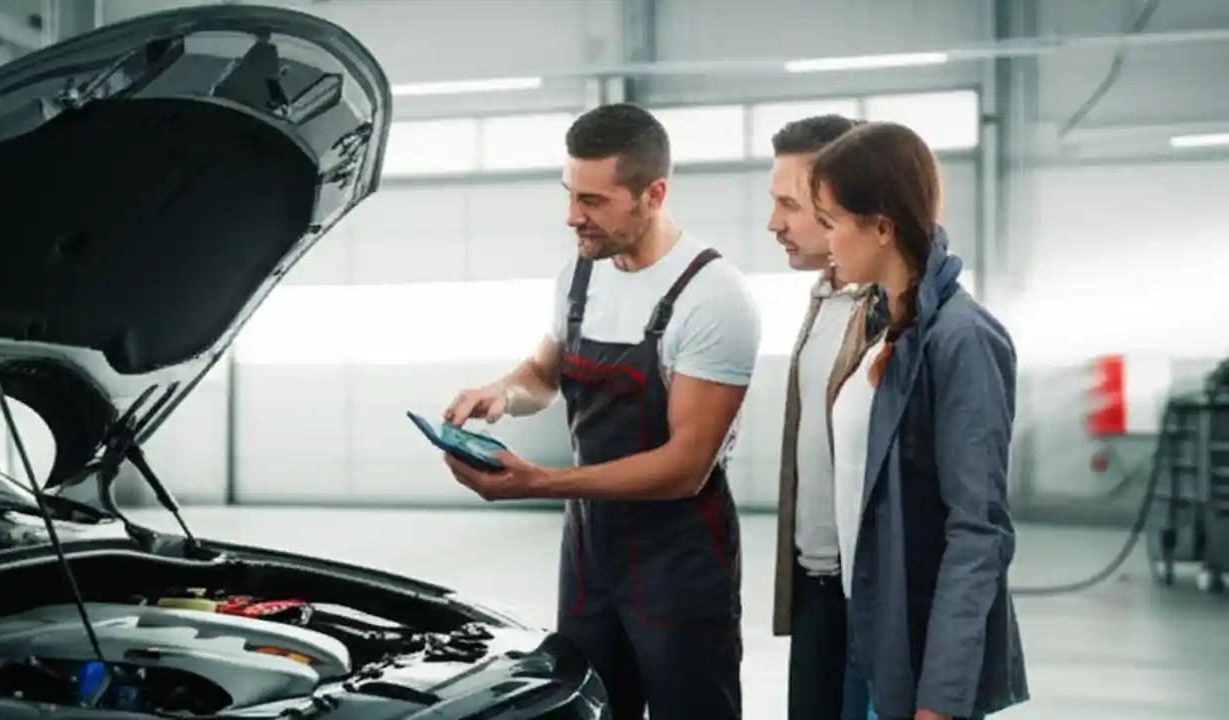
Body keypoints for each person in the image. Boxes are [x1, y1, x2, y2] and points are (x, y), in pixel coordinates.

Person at [441, 102, 761, 720]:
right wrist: (501, 395)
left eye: (593, 200)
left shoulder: (713, 296)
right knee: (588, 709)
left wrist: (540, 483)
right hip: (591, 553)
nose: (572, 217)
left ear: (653, 193)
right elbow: (543, 373)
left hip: (681, 558)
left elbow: (684, 466)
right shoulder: (579, 276)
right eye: (569, 194)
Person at [809, 121, 1030, 720]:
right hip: (873, 634)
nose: (824, 241)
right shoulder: (888, 326)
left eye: (830, 222)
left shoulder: (962, 339)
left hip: (922, 658)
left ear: (880, 226)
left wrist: (941, 699)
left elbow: (978, 530)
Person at [765, 114, 882, 720]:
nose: (773, 223)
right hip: (817, 587)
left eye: (790, 204)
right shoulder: (825, 297)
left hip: (867, 597)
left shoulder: (900, 314)